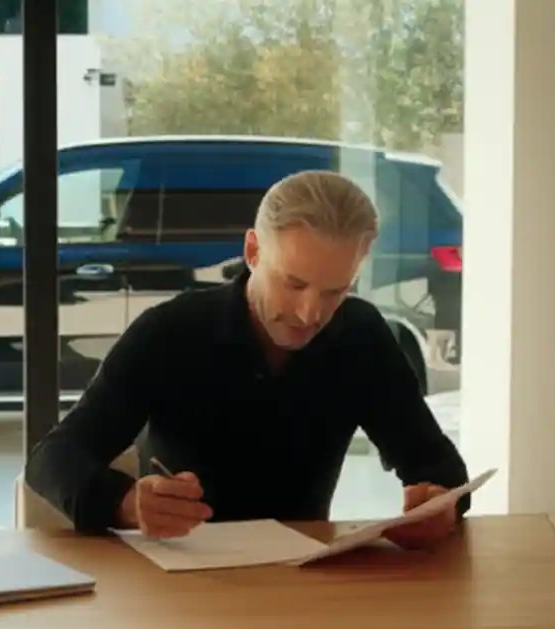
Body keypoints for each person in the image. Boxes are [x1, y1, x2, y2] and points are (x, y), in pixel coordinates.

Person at [24, 170, 471, 549]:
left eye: (336, 291)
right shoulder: (171, 332)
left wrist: (439, 505)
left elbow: (438, 465)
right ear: (253, 252)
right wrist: (125, 504)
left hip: (304, 585)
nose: (310, 313)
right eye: (294, 284)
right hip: (181, 587)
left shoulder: (361, 335)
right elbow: (51, 459)